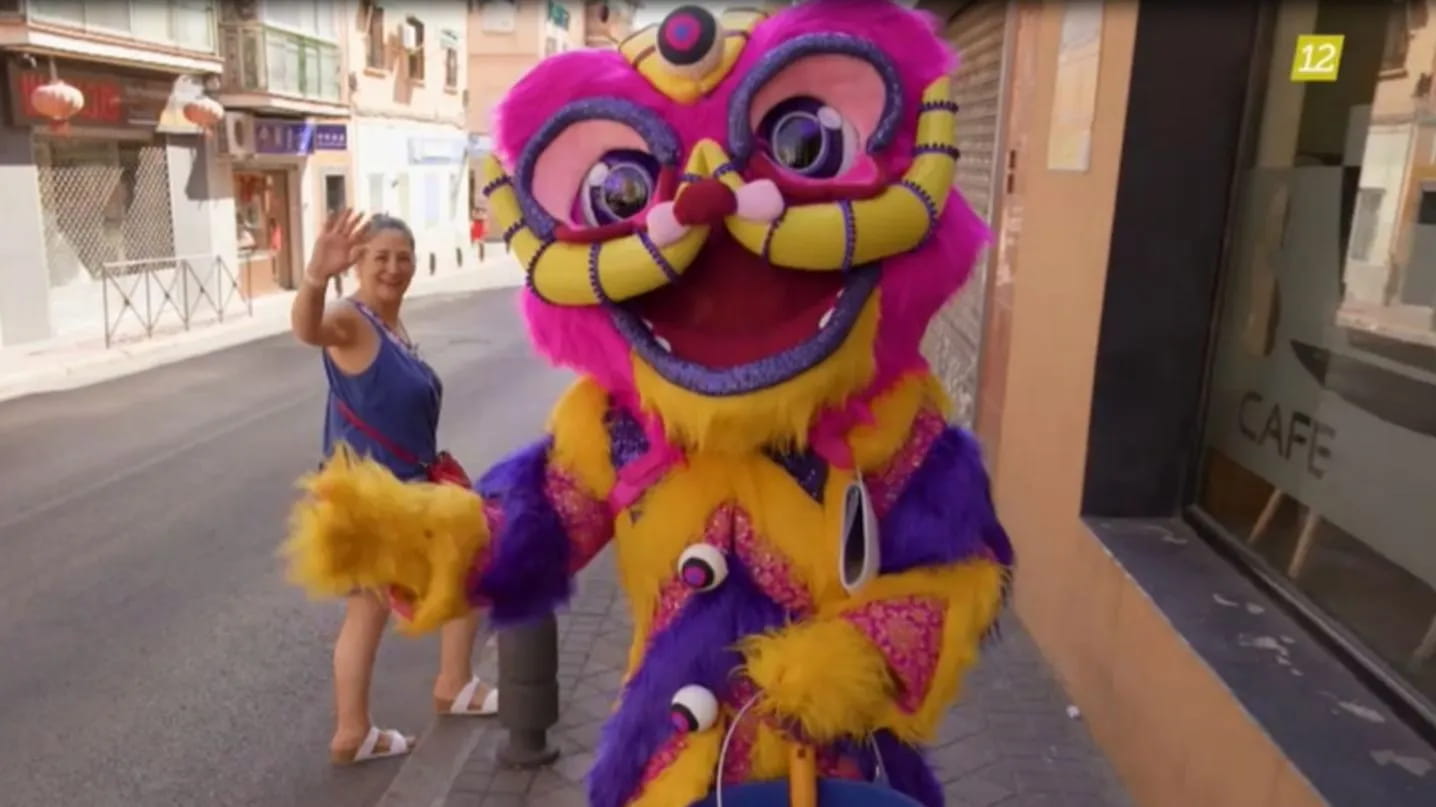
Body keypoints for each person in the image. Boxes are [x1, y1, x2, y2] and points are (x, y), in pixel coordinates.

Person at [289, 210, 498, 766]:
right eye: (379, 256)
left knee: (370, 612)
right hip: (380, 499)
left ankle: (354, 731)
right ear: (356, 263)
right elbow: (309, 329)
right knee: (471, 559)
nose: (393, 267)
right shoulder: (351, 321)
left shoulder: (390, 328)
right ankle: (453, 685)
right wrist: (313, 278)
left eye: (402, 257)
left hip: (384, 493)